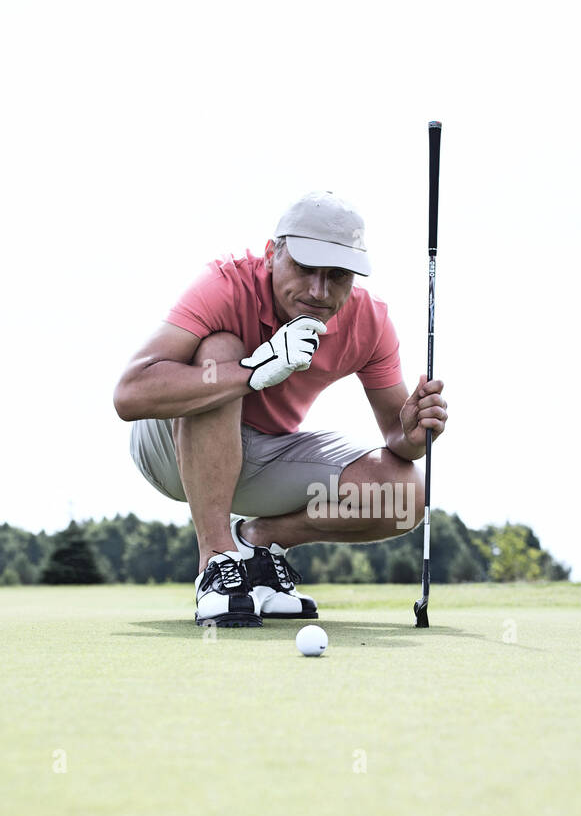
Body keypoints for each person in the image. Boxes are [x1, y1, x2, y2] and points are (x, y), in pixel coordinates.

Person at [113, 191, 448, 626]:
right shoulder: (226, 285)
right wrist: (251, 372)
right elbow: (129, 394)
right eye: (305, 269)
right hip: (168, 450)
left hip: (262, 457)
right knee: (221, 346)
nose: (319, 291)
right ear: (272, 254)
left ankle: (257, 544)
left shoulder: (370, 321)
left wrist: (413, 431)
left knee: (405, 496)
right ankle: (215, 563)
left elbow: (399, 442)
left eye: (338, 276)